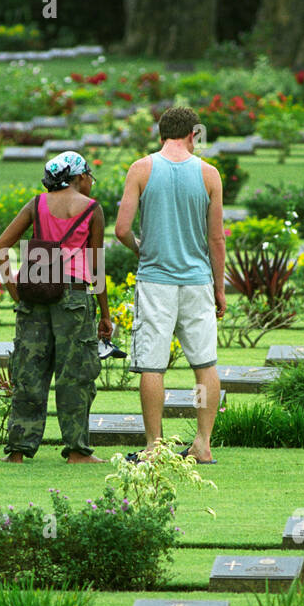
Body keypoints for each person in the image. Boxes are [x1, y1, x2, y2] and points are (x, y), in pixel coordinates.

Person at [114, 106, 226, 464]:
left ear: (160, 133)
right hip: (197, 281)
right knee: (204, 365)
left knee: (152, 365)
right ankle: (203, 444)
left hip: (156, 280)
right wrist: (219, 289)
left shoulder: (141, 169)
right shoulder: (210, 175)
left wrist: (141, 249)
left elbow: (121, 229)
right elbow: (216, 239)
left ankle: (153, 447)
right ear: (194, 133)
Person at [0, 152, 113, 463]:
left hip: (35, 293)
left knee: (29, 372)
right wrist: (105, 315)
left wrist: (14, 291)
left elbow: (0, 247)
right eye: (89, 175)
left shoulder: (37, 204)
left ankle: (18, 451)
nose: (90, 181)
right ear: (79, 176)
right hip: (74, 299)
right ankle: (76, 450)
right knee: (75, 375)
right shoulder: (92, 209)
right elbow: (96, 267)